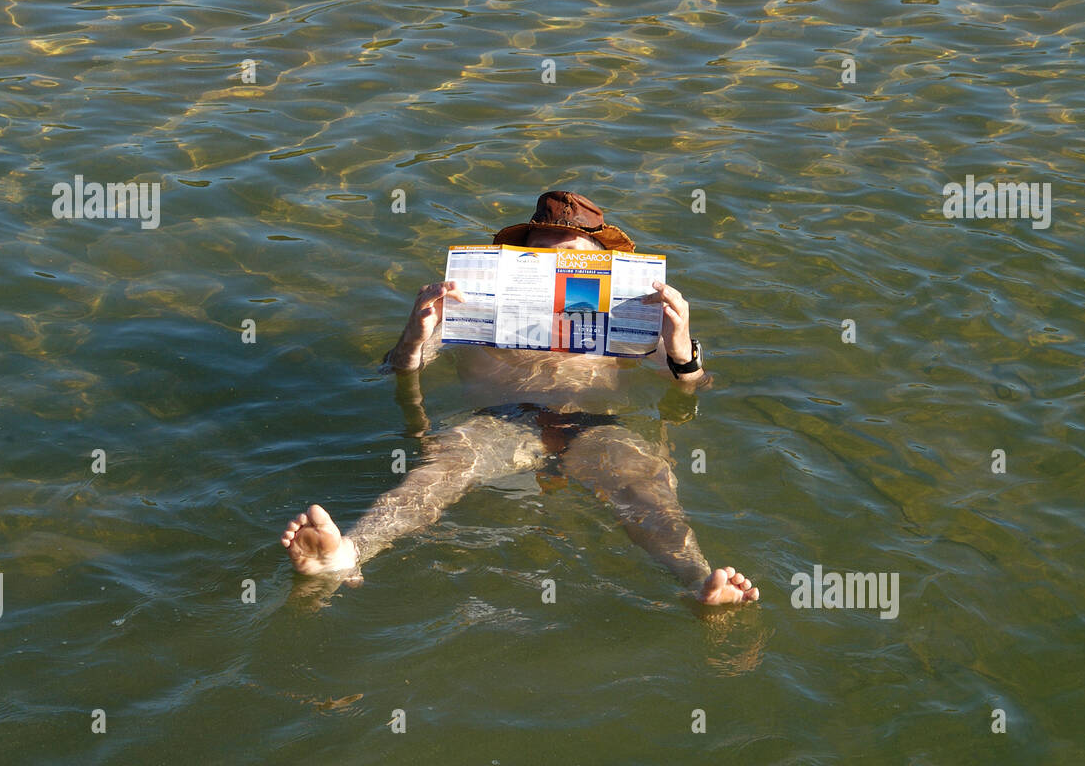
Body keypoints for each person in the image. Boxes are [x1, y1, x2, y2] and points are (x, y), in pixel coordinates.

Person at [280, 191, 759, 606]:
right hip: (503, 420)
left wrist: (682, 348)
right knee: (439, 473)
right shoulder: (470, 306)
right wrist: (413, 334)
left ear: (599, 260)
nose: (557, 265)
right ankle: (347, 555)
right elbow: (397, 371)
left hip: (594, 424)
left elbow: (692, 391)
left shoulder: (635, 314)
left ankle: (700, 583)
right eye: (543, 254)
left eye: (571, 254)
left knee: (645, 488)